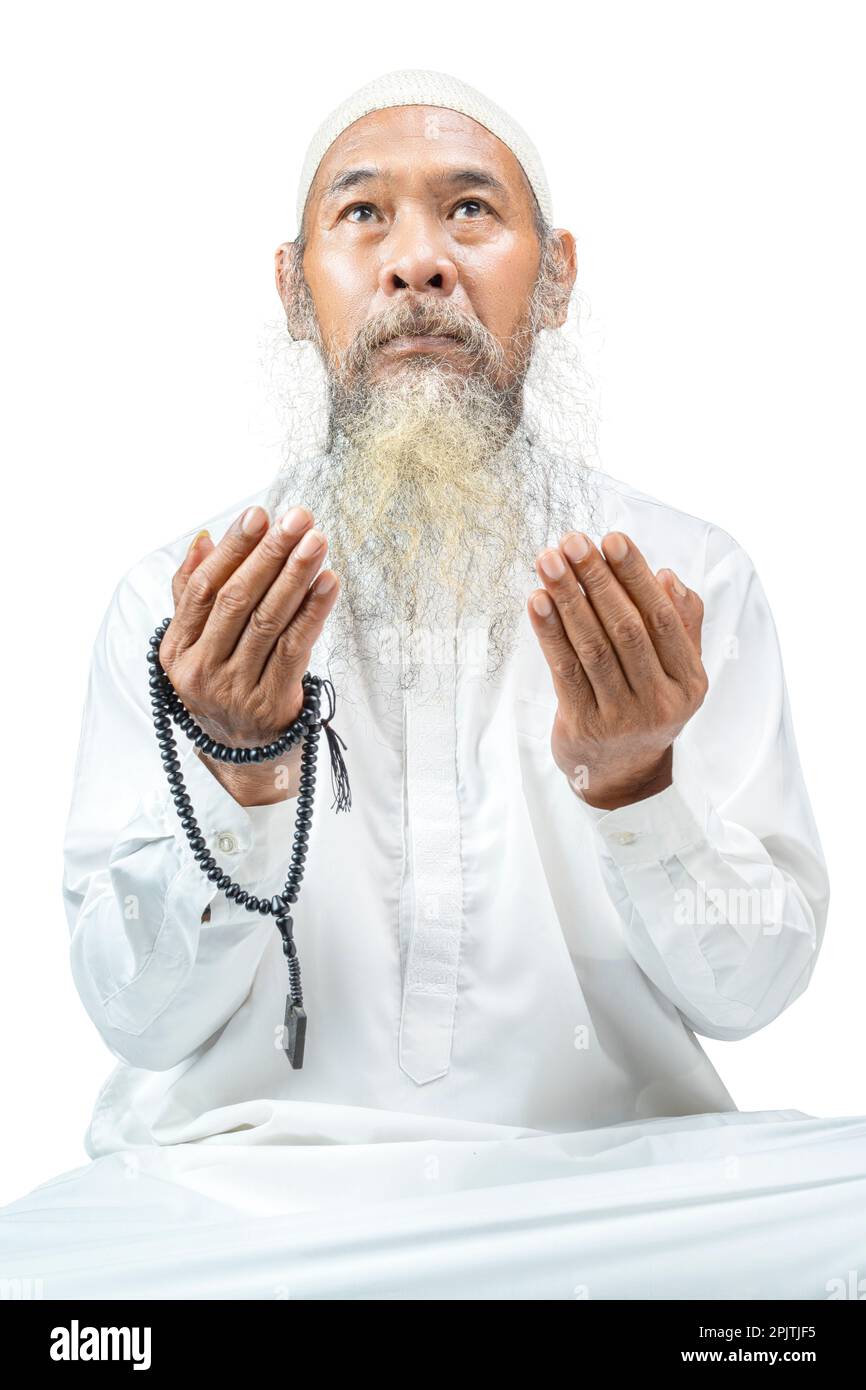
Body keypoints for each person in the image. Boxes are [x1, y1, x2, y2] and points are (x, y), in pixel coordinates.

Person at [3, 75, 848, 1303]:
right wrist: (239, 776)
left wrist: (635, 785)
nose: (417, 264)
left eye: (467, 212)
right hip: (240, 1207)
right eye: (362, 218)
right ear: (294, 290)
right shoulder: (180, 601)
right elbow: (135, 1020)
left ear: (552, 278)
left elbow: (750, 994)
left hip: (606, 1191)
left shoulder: (681, 583)